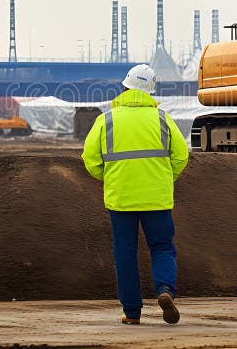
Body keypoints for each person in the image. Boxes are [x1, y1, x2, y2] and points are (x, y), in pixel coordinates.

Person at [82, 64, 189, 325]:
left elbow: (90, 160)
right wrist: (164, 177)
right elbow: (181, 156)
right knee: (162, 247)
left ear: (124, 87)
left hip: (121, 198)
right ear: (151, 91)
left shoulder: (106, 120)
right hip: (157, 198)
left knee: (125, 253)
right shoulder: (163, 119)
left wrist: (111, 178)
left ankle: (132, 313)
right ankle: (164, 291)